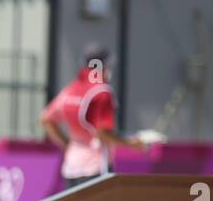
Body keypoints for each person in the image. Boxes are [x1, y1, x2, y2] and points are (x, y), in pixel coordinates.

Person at [40, 43, 146, 188]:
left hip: (71, 167)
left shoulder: (71, 89)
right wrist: (130, 143)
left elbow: (46, 119)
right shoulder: (102, 92)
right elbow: (102, 133)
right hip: (95, 166)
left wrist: (68, 144)